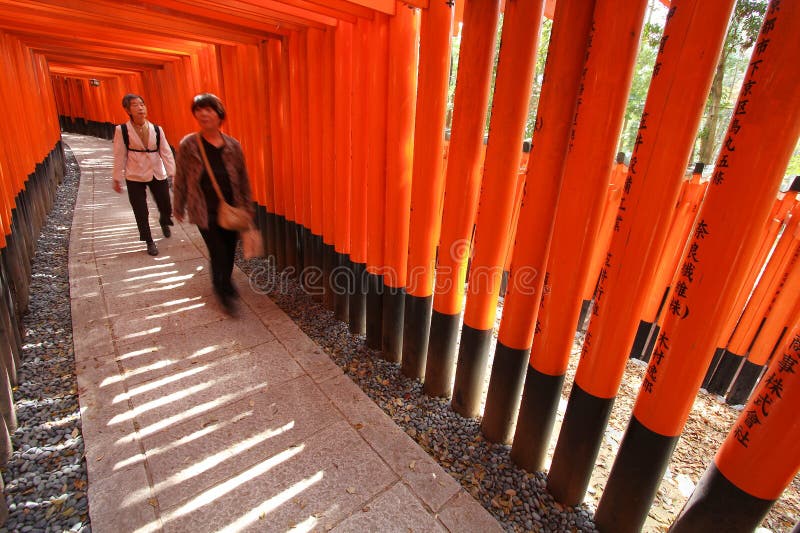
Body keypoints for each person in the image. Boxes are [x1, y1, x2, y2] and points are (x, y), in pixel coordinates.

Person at [173, 93, 255, 314]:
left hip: (231, 208)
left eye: (208, 109)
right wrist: (178, 205)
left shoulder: (233, 145)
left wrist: (247, 207)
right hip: (203, 208)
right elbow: (180, 176)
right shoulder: (189, 144)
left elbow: (243, 177)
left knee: (229, 250)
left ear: (219, 115)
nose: (203, 114)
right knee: (217, 250)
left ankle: (225, 281)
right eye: (199, 110)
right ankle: (222, 290)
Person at [112, 94, 176, 256]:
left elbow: (166, 152)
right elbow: (119, 154)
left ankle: (164, 219)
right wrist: (117, 177)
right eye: (135, 105)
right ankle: (149, 240)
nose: (140, 108)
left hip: (156, 171)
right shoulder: (122, 130)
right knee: (140, 210)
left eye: (142, 104)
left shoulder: (156, 129)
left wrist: (172, 174)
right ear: (127, 110)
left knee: (166, 204)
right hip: (135, 174)